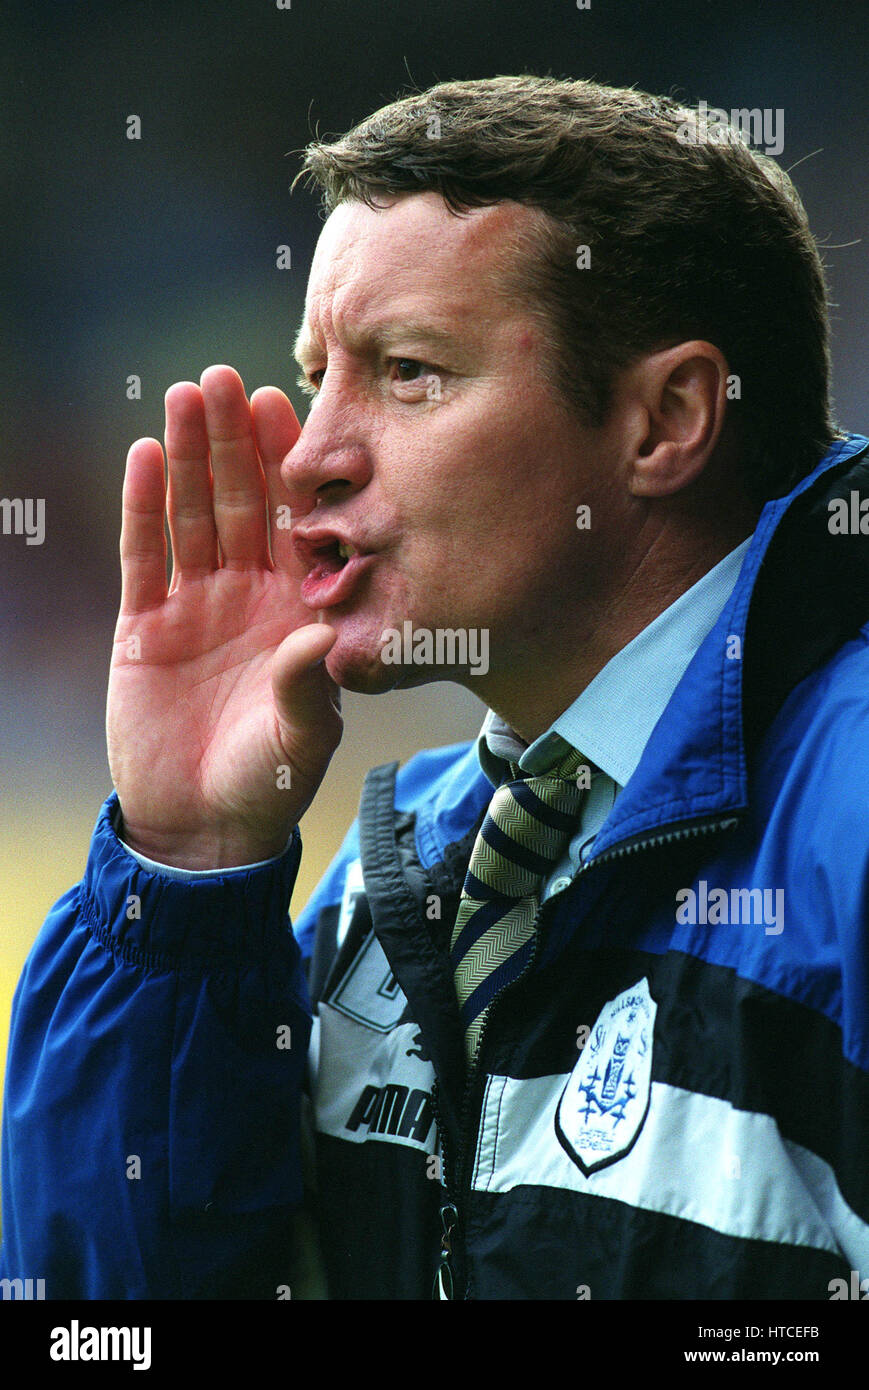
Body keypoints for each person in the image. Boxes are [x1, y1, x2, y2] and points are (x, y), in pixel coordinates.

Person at [2, 74, 868, 1301]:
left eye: (407, 372)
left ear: (667, 418)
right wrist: (184, 868)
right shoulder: (389, 877)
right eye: (317, 379)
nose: (309, 455)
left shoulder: (847, 835)